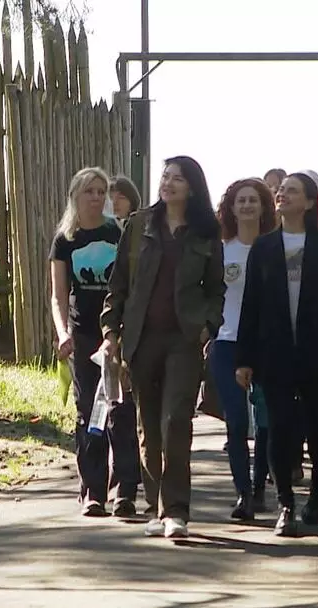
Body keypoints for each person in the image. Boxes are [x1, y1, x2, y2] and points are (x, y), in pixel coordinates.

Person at [100, 156, 225, 539]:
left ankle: (176, 510)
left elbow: (216, 289)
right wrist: (111, 333)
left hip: (183, 341)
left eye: (177, 178)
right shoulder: (139, 226)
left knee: (175, 422)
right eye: (165, 176)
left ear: (192, 187)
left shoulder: (206, 232)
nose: (168, 183)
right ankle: (155, 505)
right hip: (141, 339)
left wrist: (207, 326)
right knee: (148, 426)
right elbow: (118, 285)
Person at [235, 173, 318, 537]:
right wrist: (245, 359)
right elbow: (251, 305)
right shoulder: (264, 247)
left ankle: (317, 495)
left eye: (291, 191)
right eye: (281, 191)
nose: (282, 195)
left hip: (317, 353)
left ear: (310, 202)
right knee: (278, 428)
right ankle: (285, 503)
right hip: (273, 353)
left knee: (315, 427)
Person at [49, 167, 141, 518]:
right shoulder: (65, 239)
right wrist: (62, 334)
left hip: (115, 333)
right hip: (82, 332)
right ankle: (93, 491)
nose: (97, 197)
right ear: (76, 195)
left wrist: (118, 336)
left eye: (102, 191)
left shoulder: (116, 233)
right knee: (90, 410)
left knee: (120, 409)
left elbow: (130, 287)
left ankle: (125, 490)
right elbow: (58, 295)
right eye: (90, 191)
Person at [210, 178, 277, 520]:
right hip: (226, 343)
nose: (248, 205)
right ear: (231, 208)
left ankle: (261, 482)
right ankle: (243, 493)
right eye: (241, 200)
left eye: (254, 200)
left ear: (264, 207)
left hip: (267, 345)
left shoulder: (275, 249)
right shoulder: (222, 250)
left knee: (266, 421)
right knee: (236, 421)